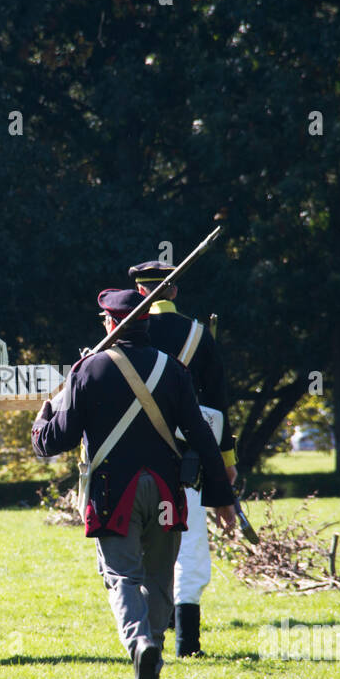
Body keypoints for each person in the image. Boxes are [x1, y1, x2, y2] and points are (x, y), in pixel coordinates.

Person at [31, 288, 236, 679]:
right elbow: (202, 437)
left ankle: (139, 642)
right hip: (165, 490)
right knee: (160, 578)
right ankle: (154, 652)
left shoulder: (88, 370)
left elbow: (56, 440)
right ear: (145, 324)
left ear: (110, 323)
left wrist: (41, 424)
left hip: (112, 492)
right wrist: (222, 499)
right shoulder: (173, 369)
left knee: (121, 576)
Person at [128, 261, 239, 657]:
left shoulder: (123, 335)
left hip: (130, 457)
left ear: (141, 292)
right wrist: (225, 460)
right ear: (173, 292)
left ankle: (141, 636)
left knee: (137, 548)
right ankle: (185, 643)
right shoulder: (199, 336)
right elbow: (217, 403)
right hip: (187, 457)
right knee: (188, 543)